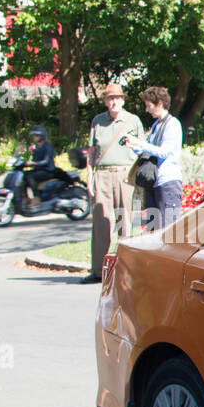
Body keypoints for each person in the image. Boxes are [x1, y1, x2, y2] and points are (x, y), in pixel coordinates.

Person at [85, 83, 142, 284]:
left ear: (123, 100)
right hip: (102, 174)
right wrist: (89, 179)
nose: (114, 101)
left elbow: (141, 148)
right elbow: (91, 153)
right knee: (101, 222)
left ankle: (125, 269)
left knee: (124, 221)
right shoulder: (98, 121)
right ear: (105, 101)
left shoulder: (133, 120)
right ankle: (98, 271)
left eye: (117, 98)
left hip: (124, 174)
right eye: (110, 98)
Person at [126, 85, 183, 232]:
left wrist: (140, 143)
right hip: (154, 183)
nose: (147, 110)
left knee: (168, 231)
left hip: (168, 183)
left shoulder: (173, 124)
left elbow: (164, 152)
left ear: (159, 103)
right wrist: (134, 145)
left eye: (148, 106)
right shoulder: (157, 125)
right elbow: (150, 151)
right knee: (153, 231)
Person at [25, 125, 55, 205]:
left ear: (41, 136)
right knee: (23, 175)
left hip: (48, 171)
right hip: (40, 170)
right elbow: (35, 161)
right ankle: (25, 198)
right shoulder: (38, 148)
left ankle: (37, 197)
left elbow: (46, 161)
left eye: (35, 135)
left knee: (30, 176)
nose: (33, 137)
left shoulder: (47, 146)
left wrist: (33, 163)